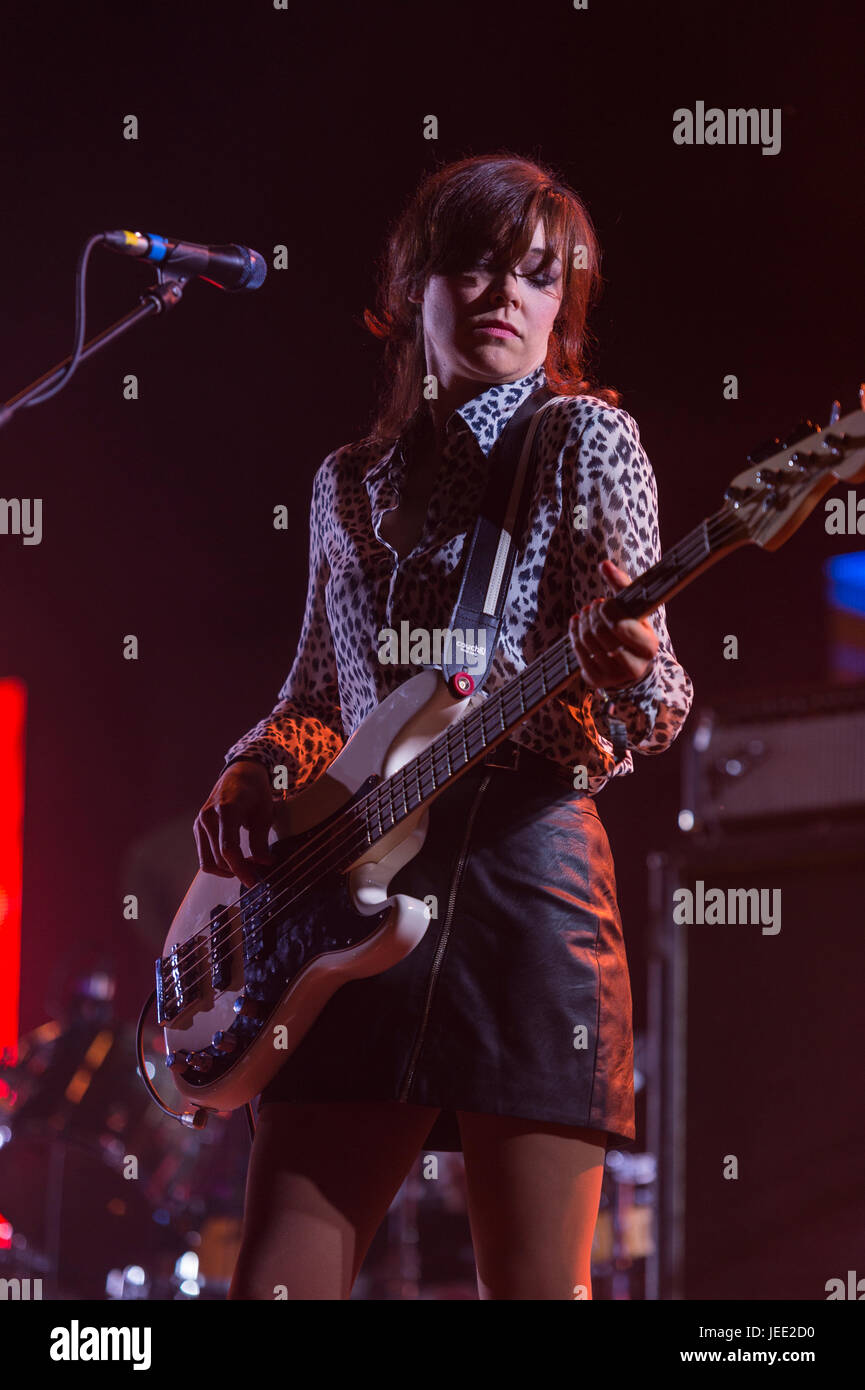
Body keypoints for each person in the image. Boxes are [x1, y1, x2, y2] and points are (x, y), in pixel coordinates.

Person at [193, 152, 694, 1300]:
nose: (506, 294)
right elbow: (318, 695)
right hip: (342, 895)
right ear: (412, 286)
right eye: (473, 264)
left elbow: (660, 704)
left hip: (525, 879)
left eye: (537, 274)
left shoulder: (585, 443)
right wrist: (250, 772)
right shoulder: (343, 480)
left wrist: (628, 666)